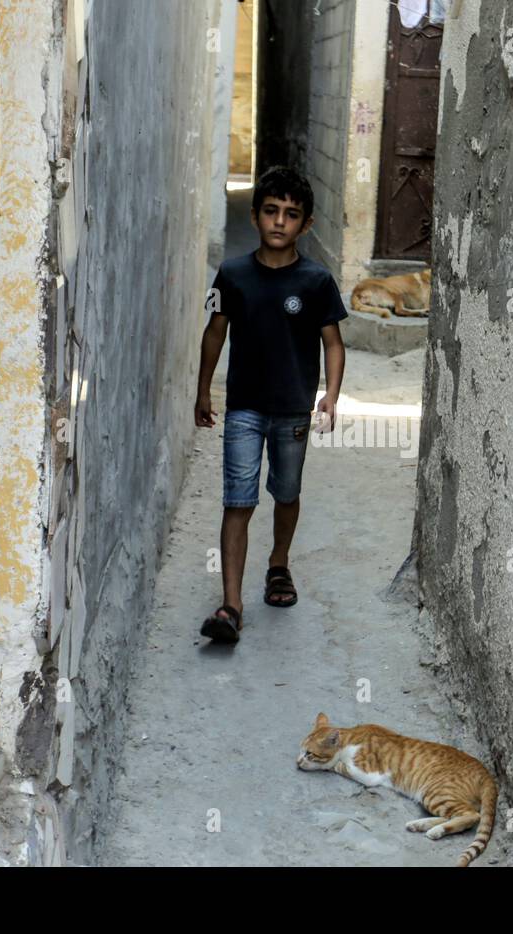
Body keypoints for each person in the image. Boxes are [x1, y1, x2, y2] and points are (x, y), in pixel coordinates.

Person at [194, 166, 347, 642]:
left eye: (291, 214)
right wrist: (203, 390)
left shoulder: (317, 281)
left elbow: (334, 343)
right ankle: (231, 606)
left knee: (285, 491)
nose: (280, 221)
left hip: (292, 412)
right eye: (271, 211)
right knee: (238, 500)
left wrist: (331, 396)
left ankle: (278, 563)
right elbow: (215, 332)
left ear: (307, 224)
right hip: (243, 408)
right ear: (256, 215)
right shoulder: (233, 274)